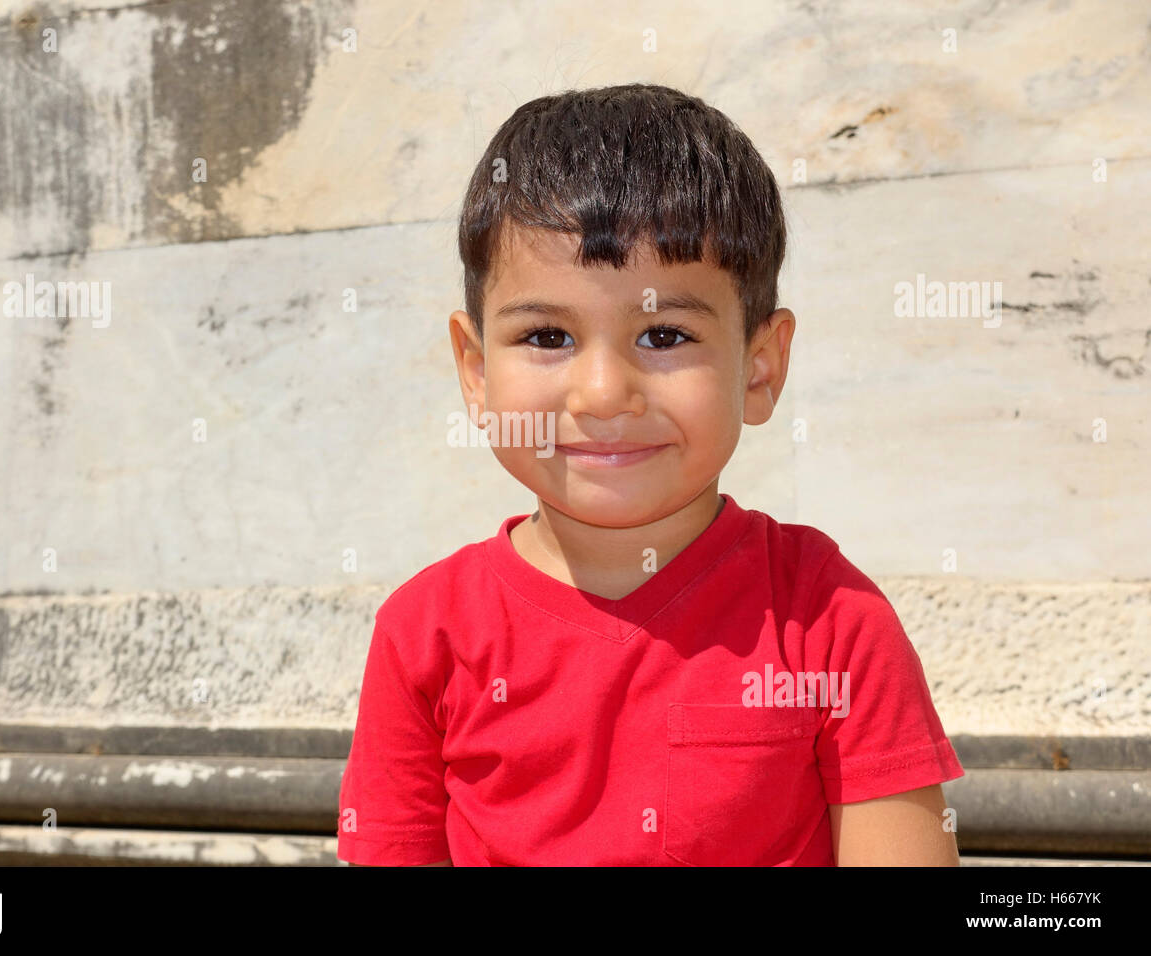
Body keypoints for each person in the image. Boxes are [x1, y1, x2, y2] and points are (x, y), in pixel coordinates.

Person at [338, 83, 963, 866]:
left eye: (664, 334)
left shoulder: (830, 623)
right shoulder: (424, 635)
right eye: (547, 335)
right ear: (475, 371)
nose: (603, 395)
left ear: (761, 368)